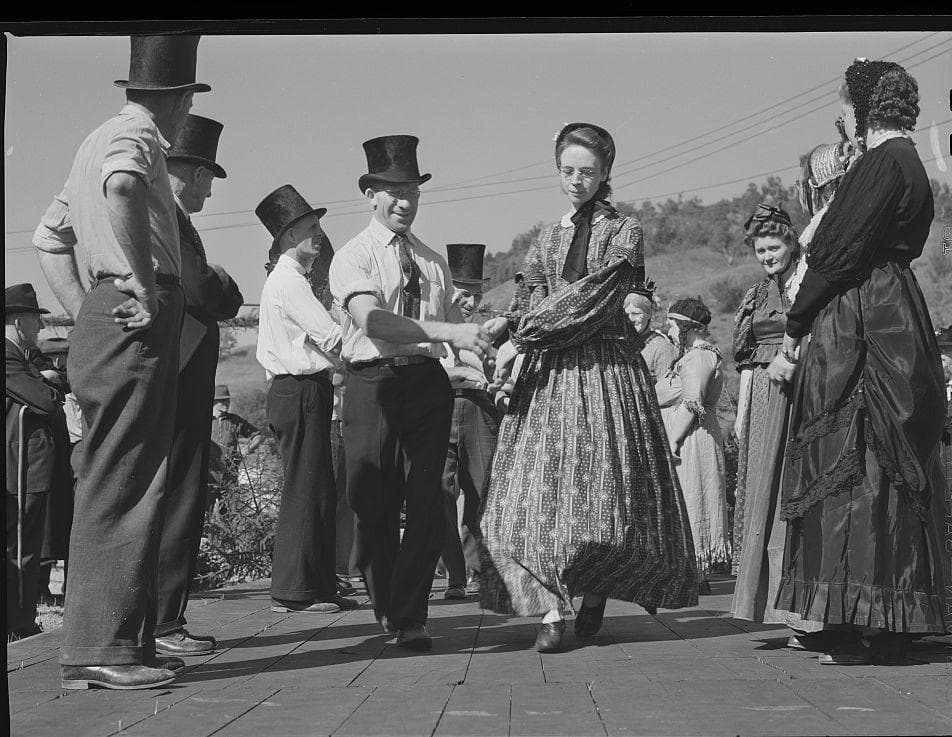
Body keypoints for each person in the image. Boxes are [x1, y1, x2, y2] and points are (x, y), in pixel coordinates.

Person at [31, 34, 209, 690]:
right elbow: (124, 186)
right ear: (180, 98)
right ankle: (100, 647)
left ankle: (122, 642)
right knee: (125, 477)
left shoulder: (94, 138)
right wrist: (137, 277)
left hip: (110, 317)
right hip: (135, 313)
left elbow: (49, 238)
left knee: (129, 472)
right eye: (188, 98)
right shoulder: (136, 139)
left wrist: (86, 310)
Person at [481, 122, 698, 654]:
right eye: (567, 170)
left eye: (586, 171)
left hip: (603, 374)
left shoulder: (626, 231)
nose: (575, 180)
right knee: (527, 497)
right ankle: (550, 607)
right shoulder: (547, 236)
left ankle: (595, 590)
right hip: (548, 380)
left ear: (605, 173)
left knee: (600, 496)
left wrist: (522, 334)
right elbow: (530, 294)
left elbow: (596, 297)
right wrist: (507, 325)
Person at [767, 60, 948, 664]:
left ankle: (852, 617)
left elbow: (836, 249)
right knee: (890, 463)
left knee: (856, 458)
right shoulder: (912, 165)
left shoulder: (878, 164)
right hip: (898, 309)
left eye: (847, 104)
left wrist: (796, 325)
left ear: (864, 108)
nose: (844, 114)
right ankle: (889, 618)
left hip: (862, 318)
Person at [329, 134, 497, 651]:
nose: (404, 201)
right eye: (393, 191)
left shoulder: (432, 262)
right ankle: (389, 608)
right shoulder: (351, 257)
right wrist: (451, 334)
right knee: (372, 503)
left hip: (427, 386)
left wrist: (486, 357)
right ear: (370, 194)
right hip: (372, 385)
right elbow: (373, 321)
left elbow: (456, 338)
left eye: (413, 192)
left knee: (430, 502)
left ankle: (410, 615)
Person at [155, 113, 244, 658]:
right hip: (180, 376)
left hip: (181, 373)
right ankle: (163, 621)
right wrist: (227, 285)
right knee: (180, 494)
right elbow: (206, 289)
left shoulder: (168, 218)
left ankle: (161, 617)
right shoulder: (169, 219)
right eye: (205, 174)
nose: (210, 186)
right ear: (179, 171)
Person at [255, 184, 356, 615]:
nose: (319, 234)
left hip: (302, 390)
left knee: (316, 485)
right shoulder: (289, 282)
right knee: (306, 486)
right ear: (289, 236)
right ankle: (293, 591)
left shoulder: (291, 281)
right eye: (311, 227)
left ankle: (315, 584)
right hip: (298, 390)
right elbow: (334, 336)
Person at [729, 204, 824, 643]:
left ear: (791, 244)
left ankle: (807, 614)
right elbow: (742, 351)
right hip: (767, 393)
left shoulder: (808, 282)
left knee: (795, 489)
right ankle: (774, 608)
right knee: (765, 492)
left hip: (803, 384)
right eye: (760, 250)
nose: (767, 256)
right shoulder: (759, 293)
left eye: (774, 247)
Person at [439, 243, 500, 600]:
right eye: (464, 294)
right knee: (441, 493)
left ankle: (477, 570)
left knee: (481, 490)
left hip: (480, 411)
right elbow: (438, 369)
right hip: (440, 410)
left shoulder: (483, 332)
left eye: (476, 295)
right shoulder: (434, 327)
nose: (470, 303)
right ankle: (453, 576)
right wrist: (468, 373)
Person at [656, 297, 729, 595]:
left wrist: (673, 440)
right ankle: (690, 571)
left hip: (692, 439)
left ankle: (694, 572)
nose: (669, 329)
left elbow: (691, 402)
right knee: (688, 497)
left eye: (672, 324)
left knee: (692, 495)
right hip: (690, 436)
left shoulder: (698, 357)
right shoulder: (690, 356)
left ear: (688, 327)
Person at [5, 285, 62, 641]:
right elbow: (46, 401)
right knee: (22, 544)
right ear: (16, 320)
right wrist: (46, 380)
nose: (39, 328)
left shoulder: (22, 355)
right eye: (35, 319)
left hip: (25, 463)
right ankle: (20, 621)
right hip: (20, 464)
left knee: (25, 542)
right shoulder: (10, 357)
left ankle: (21, 617)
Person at [208, 385, 262, 508]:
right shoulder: (204, 420)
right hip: (209, 475)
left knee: (230, 514)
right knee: (205, 515)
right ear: (214, 401)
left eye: (228, 400)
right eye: (223, 400)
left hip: (230, 475)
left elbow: (257, 436)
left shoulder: (235, 420)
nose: (227, 403)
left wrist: (246, 451)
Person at [623, 282, 678, 383]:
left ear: (649, 314)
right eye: (626, 315)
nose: (630, 319)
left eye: (636, 313)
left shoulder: (662, 347)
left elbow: (668, 389)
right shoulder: (623, 346)